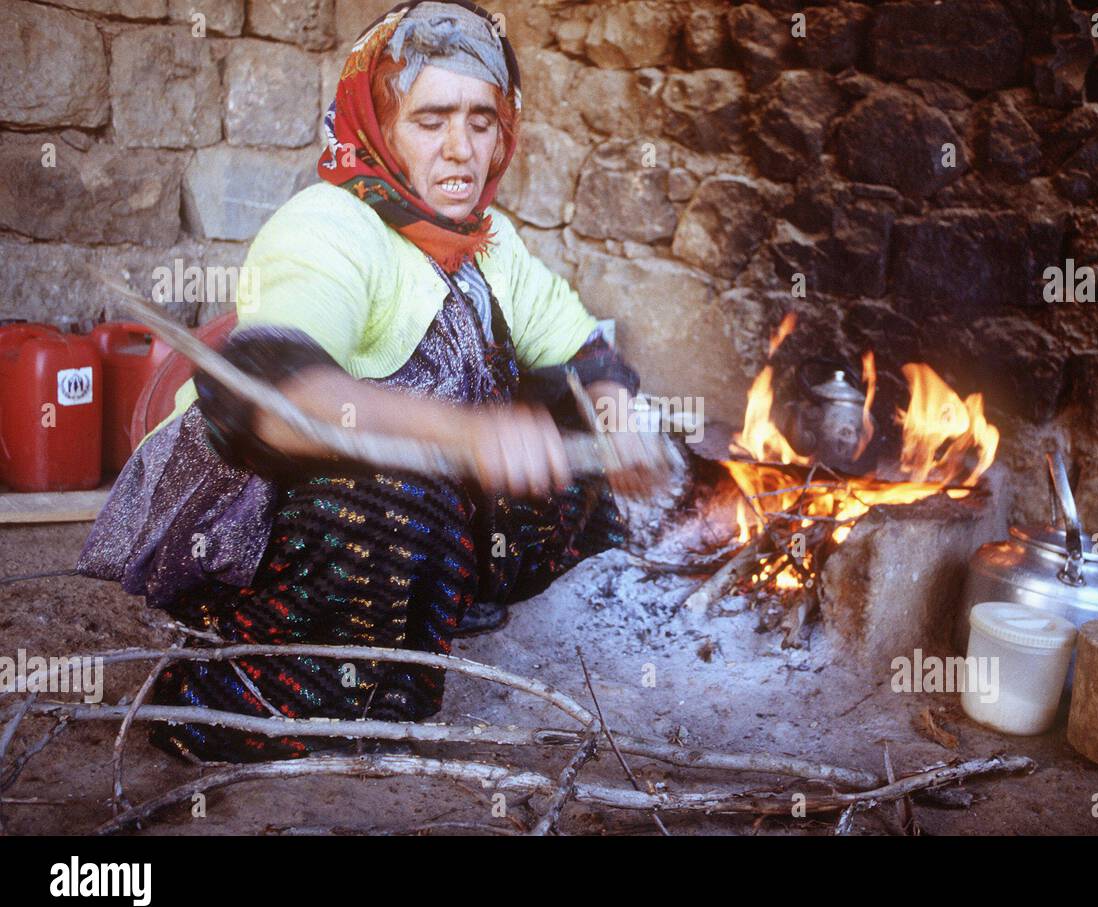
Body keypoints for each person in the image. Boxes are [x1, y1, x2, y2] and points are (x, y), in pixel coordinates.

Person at [77, 0, 663, 762]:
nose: (461, 150)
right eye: (431, 120)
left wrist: (617, 419)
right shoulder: (328, 225)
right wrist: (470, 435)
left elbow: (582, 350)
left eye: (482, 120)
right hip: (244, 515)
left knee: (571, 432)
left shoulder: (490, 241)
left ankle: (431, 615)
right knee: (388, 478)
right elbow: (274, 404)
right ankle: (231, 694)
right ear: (379, 123)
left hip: (408, 505)